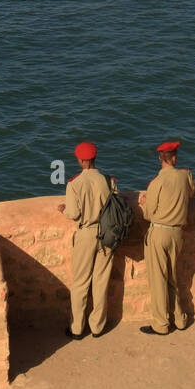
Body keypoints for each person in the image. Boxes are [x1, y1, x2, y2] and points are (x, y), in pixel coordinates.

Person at [139, 141, 195, 335]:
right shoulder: (185, 177)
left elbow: (148, 215)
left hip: (159, 233)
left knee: (158, 279)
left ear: (160, 158)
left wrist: (143, 202)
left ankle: (161, 324)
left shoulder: (156, 183)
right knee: (172, 277)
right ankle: (180, 319)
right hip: (177, 234)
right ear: (175, 158)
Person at [61, 141, 116, 339]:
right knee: (101, 280)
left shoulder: (74, 183)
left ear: (82, 160)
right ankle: (97, 326)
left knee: (80, 283)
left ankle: (77, 328)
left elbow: (74, 213)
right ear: (94, 159)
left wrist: (63, 210)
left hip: (86, 234)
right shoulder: (109, 181)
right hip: (107, 234)